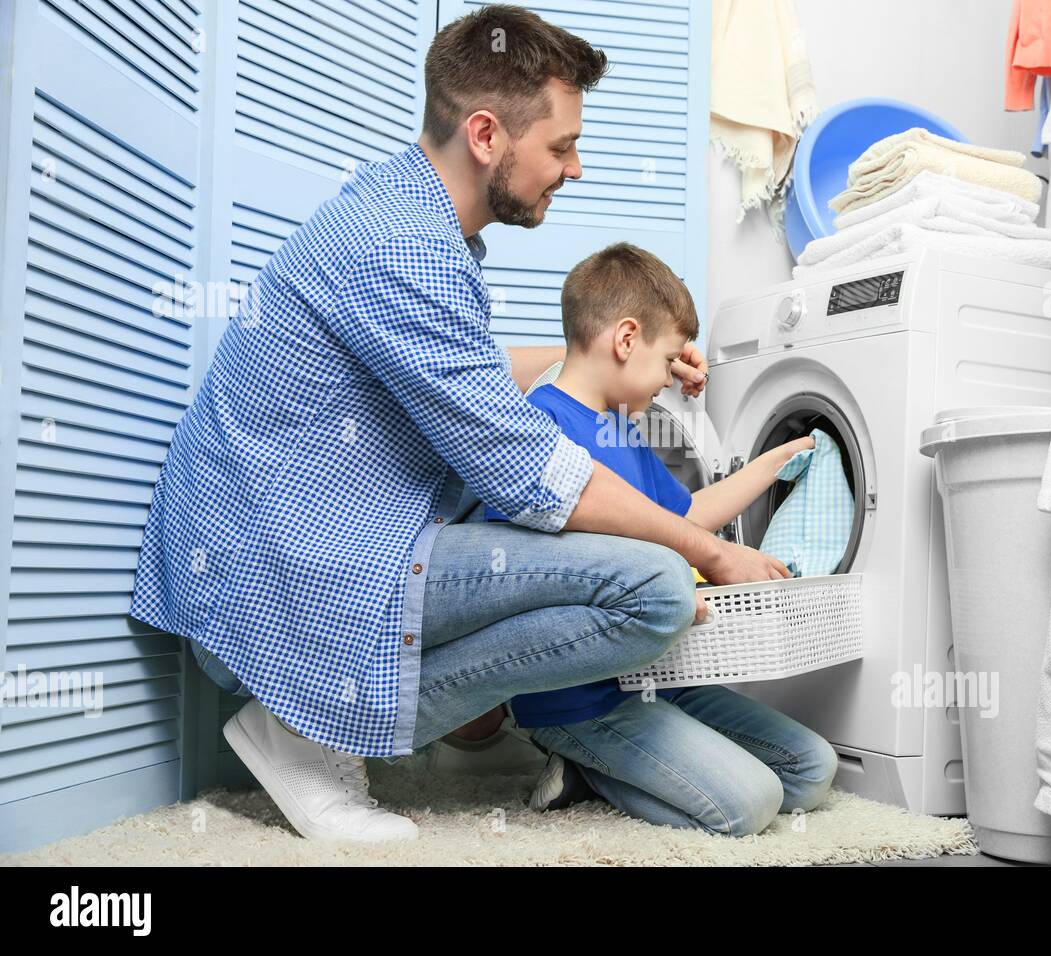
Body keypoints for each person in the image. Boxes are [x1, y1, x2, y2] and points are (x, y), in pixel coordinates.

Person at [128, 5, 789, 843]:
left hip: (293, 554)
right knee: (654, 586)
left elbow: (461, 372)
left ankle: (336, 721)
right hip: (275, 585)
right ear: (486, 135)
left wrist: (605, 361)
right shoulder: (402, 247)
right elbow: (532, 473)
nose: (575, 169)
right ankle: (304, 730)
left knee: (613, 559)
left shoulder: (405, 217)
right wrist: (711, 548)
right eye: (560, 146)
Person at [483, 243, 838, 837]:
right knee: (749, 805)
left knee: (810, 770)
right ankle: (583, 762)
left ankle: (603, 770)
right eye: (668, 357)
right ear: (625, 339)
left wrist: (781, 457)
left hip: (660, 680)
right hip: (581, 701)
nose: (673, 375)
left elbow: (689, 515)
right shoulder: (537, 428)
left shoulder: (621, 429)